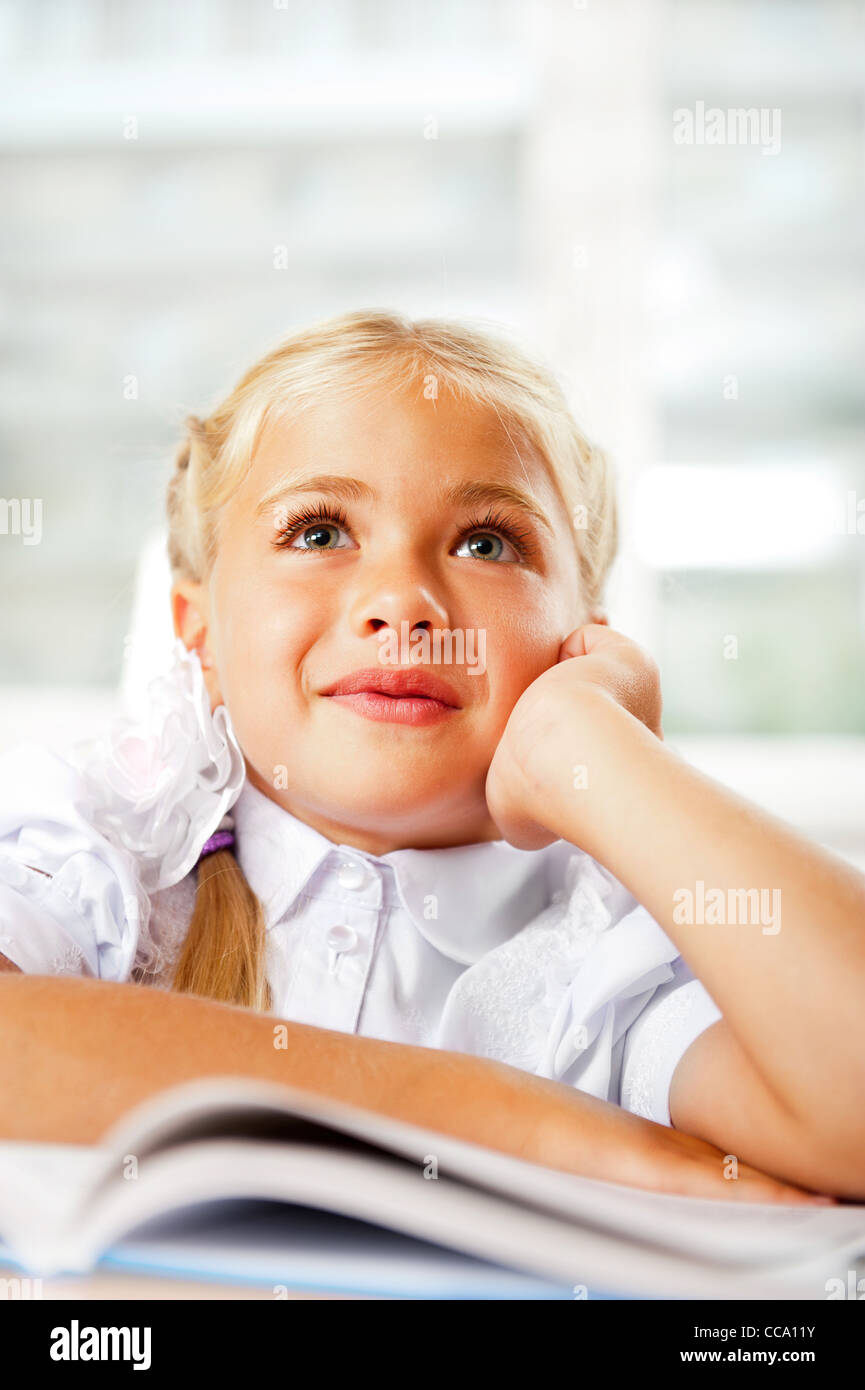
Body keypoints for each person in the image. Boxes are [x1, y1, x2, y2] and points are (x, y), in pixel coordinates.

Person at [1, 309, 862, 1206]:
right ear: (198, 631)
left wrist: (593, 751)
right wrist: (515, 1123)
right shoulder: (99, 861)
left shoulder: (604, 965)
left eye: (486, 543)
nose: (402, 603)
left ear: (583, 646)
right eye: (320, 531)